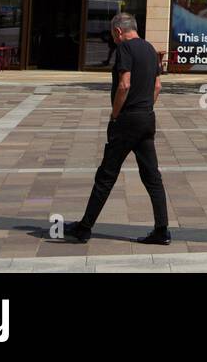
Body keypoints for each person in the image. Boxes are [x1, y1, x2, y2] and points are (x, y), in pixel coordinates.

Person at [65, 13, 171, 245]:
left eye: (113, 35)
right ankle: (162, 230)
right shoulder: (151, 50)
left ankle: (84, 228)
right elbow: (157, 85)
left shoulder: (125, 49)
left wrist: (115, 115)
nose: (114, 39)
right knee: (152, 176)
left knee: (106, 175)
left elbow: (124, 84)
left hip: (126, 120)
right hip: (146, 118)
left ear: (118, 31)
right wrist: (145, 108)